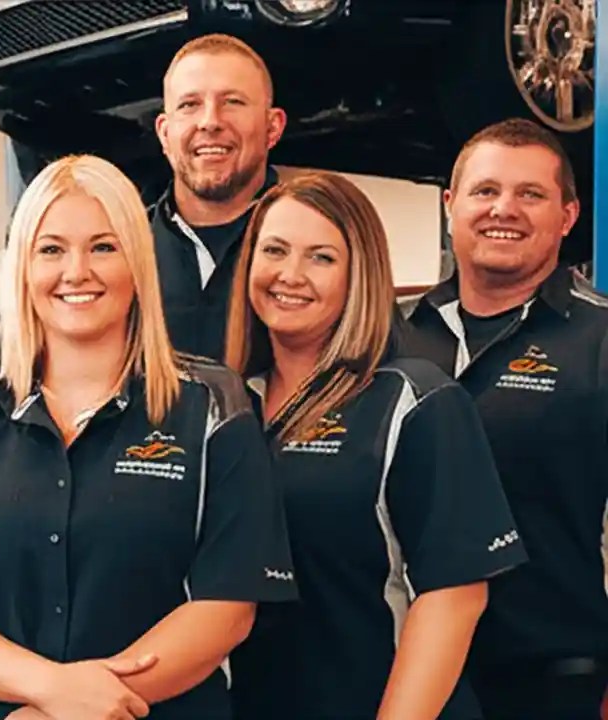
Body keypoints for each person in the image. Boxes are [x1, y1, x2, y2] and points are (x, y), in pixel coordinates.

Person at [0, 154, 296, 720]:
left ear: (138, 263)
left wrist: (89, 708)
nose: (76, 271)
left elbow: (226, 609)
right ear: (23, 269)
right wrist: (53, 693)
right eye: (51, 249)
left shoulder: (213, 412)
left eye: (103, 246)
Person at [223, 170, 527, 719]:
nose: (290, 274)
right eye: (274, 250)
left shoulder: (415, 400)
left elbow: (455, 596)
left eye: (321, 257)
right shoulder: (222, 406)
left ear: (358, 275)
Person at [404, 118, 608, 720]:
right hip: (407, 677)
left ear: (568, 216)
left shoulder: (601, 340)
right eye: (485, 190)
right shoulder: (389, 337)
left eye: (531, 194)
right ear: (450, 205)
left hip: (556, 683)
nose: (505, 209)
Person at [151, 33, 286, 358]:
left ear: (273, 128)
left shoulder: (321, 245)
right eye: (189, 105)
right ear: (165, 133)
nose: (210, 121)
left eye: (233, 102)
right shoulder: (121, 250)